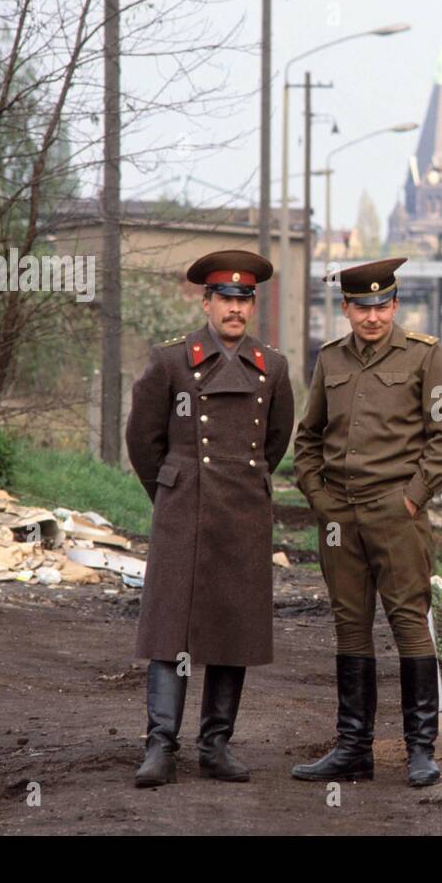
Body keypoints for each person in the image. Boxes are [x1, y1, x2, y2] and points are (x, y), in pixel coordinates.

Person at [291, 257, 442, 787]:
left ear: (395, 305)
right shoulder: (330, 359)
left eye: (382, 306)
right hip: (340, 516)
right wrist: (320, 499)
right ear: (346, 309)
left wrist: (412, 500)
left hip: (396, 513)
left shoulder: (424, 355)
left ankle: (420, 750)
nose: (373, 317)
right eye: (362, 307)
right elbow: (308, 438)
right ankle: (352, 748)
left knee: (409, 623)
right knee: (350, 626)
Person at [125, 249, 294, 787]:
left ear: (251, 306)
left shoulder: (272, 367)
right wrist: (172, 489)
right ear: (206, 302)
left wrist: (245, 482)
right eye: (225, 298)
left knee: (233, 627)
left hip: (242, 512)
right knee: (169, 628)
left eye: (244, 300)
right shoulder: (172, 359)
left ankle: (216, 746)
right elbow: (142, 439)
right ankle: (160, 746)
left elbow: (274, 440)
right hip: (183, 511)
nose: (235, 309)